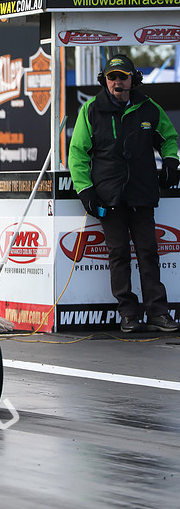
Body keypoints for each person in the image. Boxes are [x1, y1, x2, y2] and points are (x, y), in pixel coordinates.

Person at [69, 54, 180, 333]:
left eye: (123, 76)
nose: (117, 82)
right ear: (104, 80)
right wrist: (86, 190)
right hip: (109, 197)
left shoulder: (149, 108)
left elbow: (169, 138)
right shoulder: (91, 110)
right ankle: (128, 313)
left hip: (142, 194)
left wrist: (171, 161)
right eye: (112, 77)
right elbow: (77, 154)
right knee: (118, 255)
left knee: (149, 253)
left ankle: (158, 312)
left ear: (133, 79)